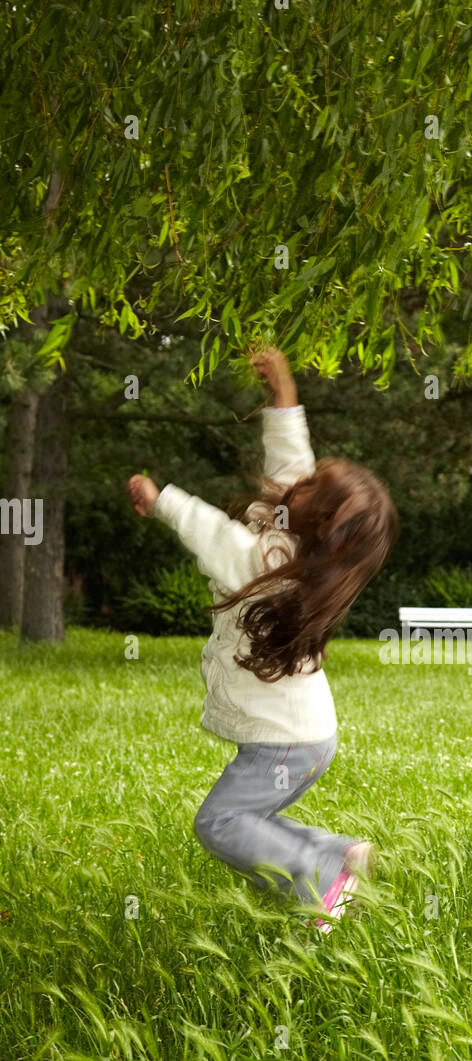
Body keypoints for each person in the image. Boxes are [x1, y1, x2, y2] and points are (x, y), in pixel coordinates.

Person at [126, 347, 397, 929]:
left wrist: (163, 500)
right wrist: (283, 396)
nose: (297, 485)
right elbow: (292, 461)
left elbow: (218, 538)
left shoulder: (271, 568)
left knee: (221, 823)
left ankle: (323, 882)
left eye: (311, 491)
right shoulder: (298, 538)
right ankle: (337, 851)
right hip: (304, 739)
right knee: (246, 817)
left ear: (316, 524)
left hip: (285, 745)